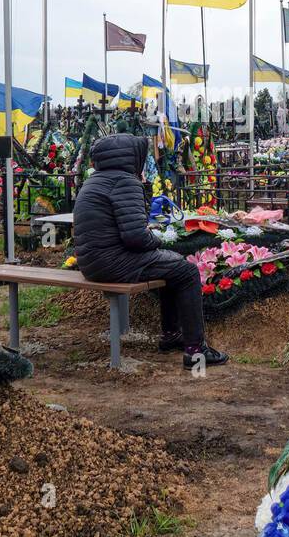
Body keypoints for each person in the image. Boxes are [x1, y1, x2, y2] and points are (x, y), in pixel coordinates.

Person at [73, 133, 228, 370]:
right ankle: (196, 350)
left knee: (171, 266)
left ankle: (171, 335)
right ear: (131, 157)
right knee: (186, 272)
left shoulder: (95, 181)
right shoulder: (124, 181)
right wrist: (156, 241)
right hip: (112, 261)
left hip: (92, 261)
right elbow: (135, 237)